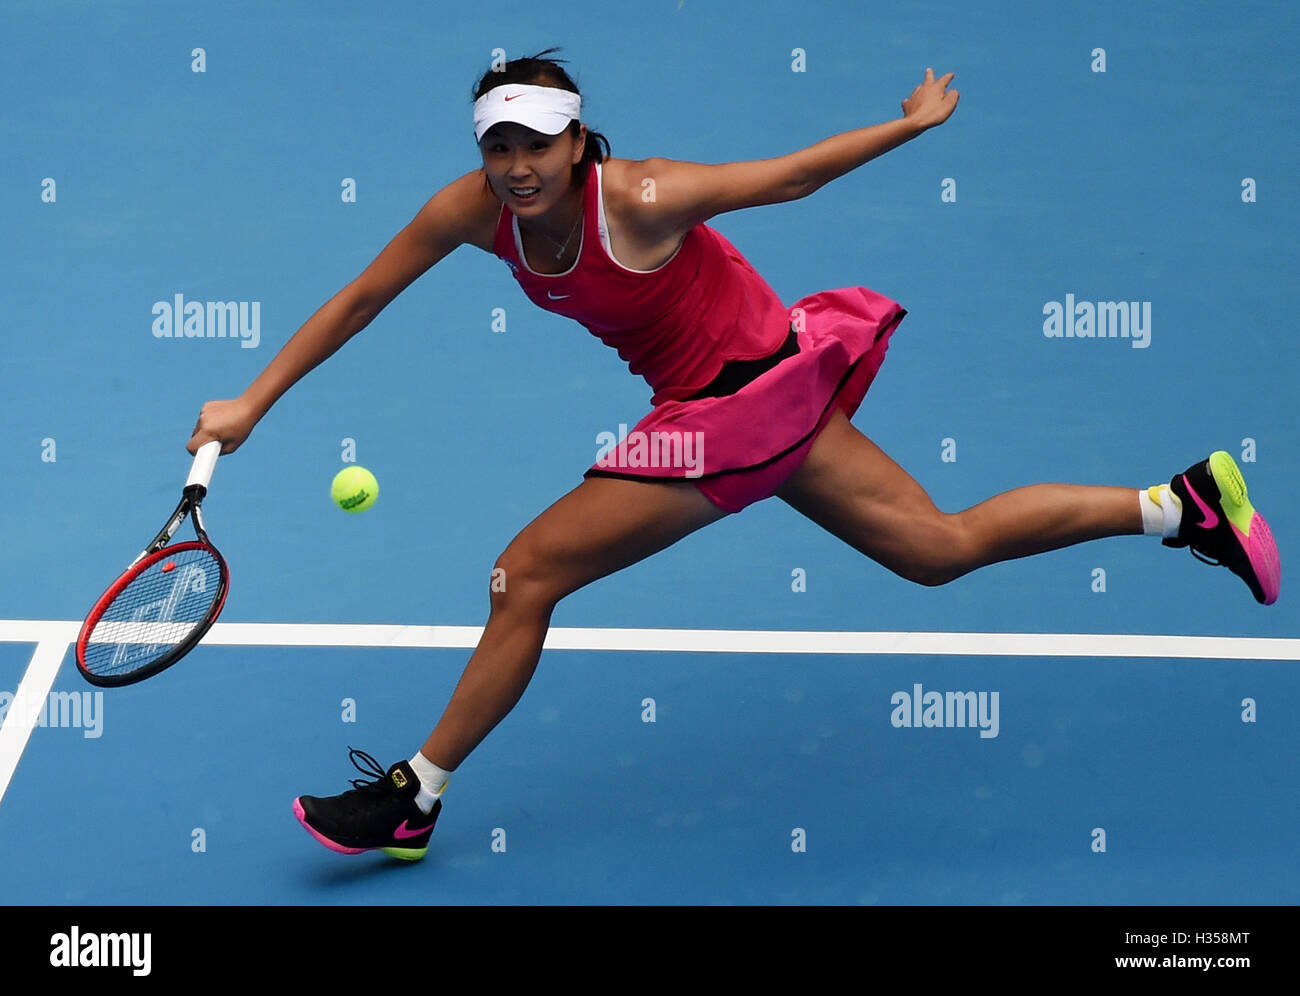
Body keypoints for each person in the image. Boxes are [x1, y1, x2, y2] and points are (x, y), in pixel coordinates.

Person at [187, 49, 1280, 861]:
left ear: (579, 142)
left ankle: (415, 793)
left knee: (526, 573)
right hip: (776, 406)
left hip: (734, 410)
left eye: (536, 145)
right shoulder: (472, 214)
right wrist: (255, 400)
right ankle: (1179, 505)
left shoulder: (648, 195)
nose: (516, 167)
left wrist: (908, 127)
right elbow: (365, 295)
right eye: (498, 147)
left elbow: (791, 176)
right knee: (937, 549)